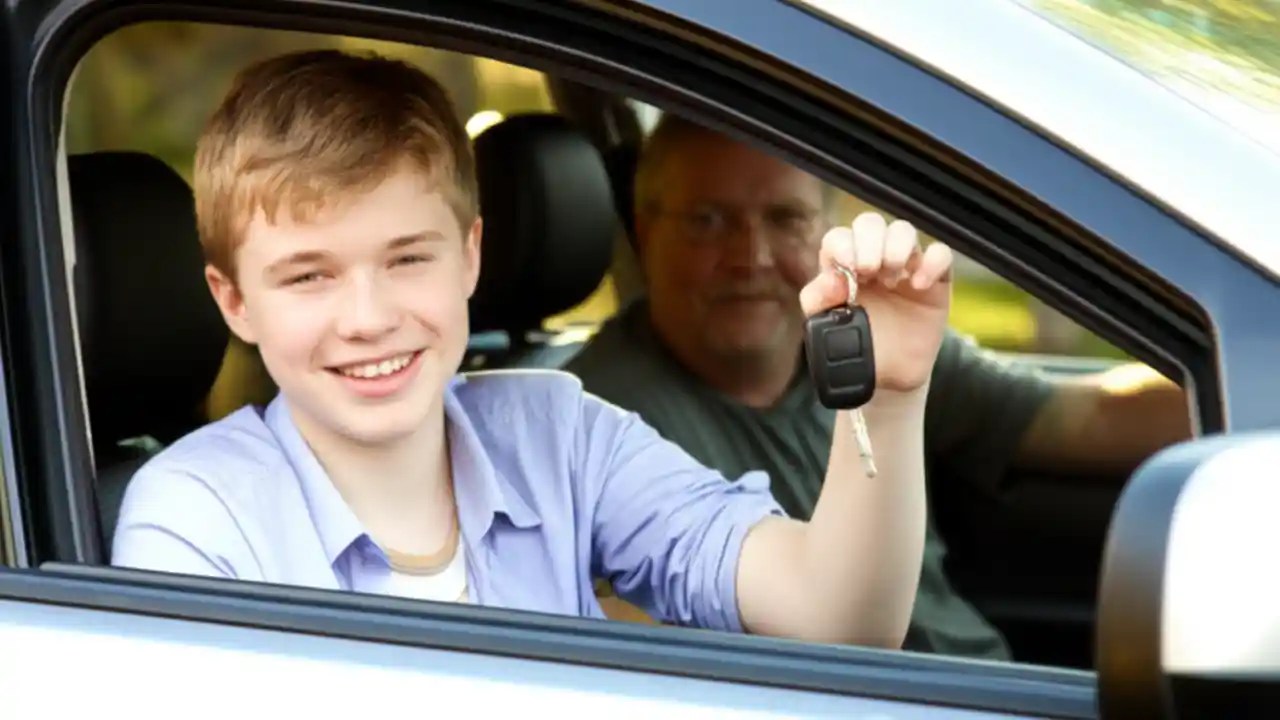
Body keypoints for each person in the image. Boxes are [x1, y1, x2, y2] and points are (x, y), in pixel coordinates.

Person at [110, 49, 958, 648]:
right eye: (308, 277)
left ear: (470, 256)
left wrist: (886, 398)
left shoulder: (558, 435)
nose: (366, 318)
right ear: (234, 300)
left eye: (407, 259)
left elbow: (835, 618)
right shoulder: (197, 519)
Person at [566, 114, 1191, 659]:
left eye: (785, 218)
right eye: (708, 221)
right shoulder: (601, 433)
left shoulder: (873, 341)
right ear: (645, 232)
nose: (750, 256)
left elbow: (1089, 418)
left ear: (825, 229)